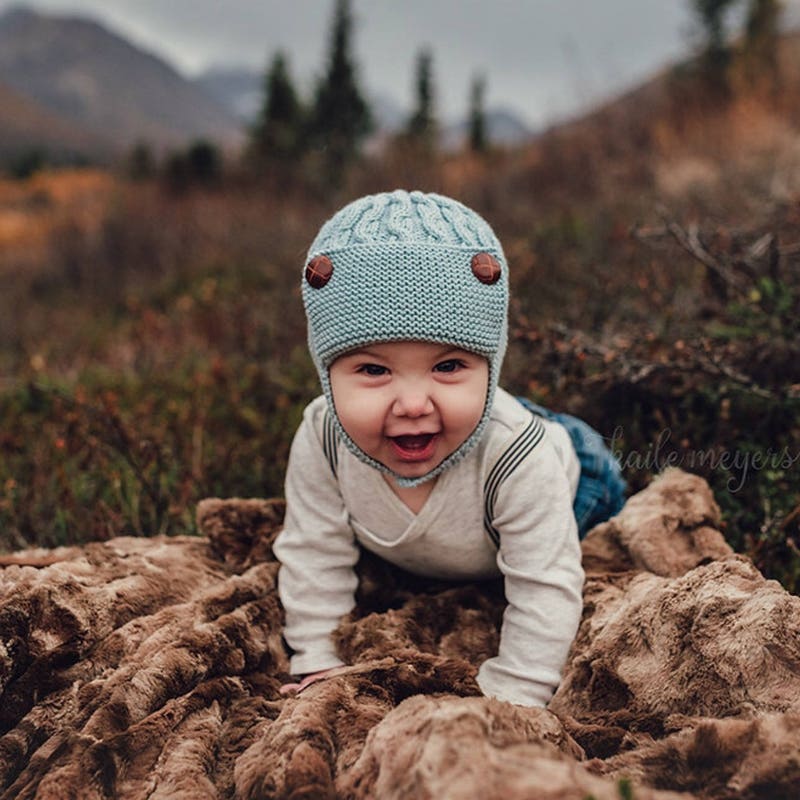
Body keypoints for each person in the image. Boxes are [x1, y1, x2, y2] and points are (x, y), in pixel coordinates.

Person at [273, 190, 625, 707]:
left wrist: (515, 693)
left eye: (448, 366)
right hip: (471, 432)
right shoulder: (323, 436)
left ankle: (520, 414)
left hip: (575, 478)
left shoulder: (519, 457)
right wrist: (318, 653)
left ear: (491, 364)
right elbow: (312, 550)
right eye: (373, 370)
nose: (413, 403)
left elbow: (547, 584)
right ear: (326, 374)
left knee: (560, 519)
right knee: (465, 414)